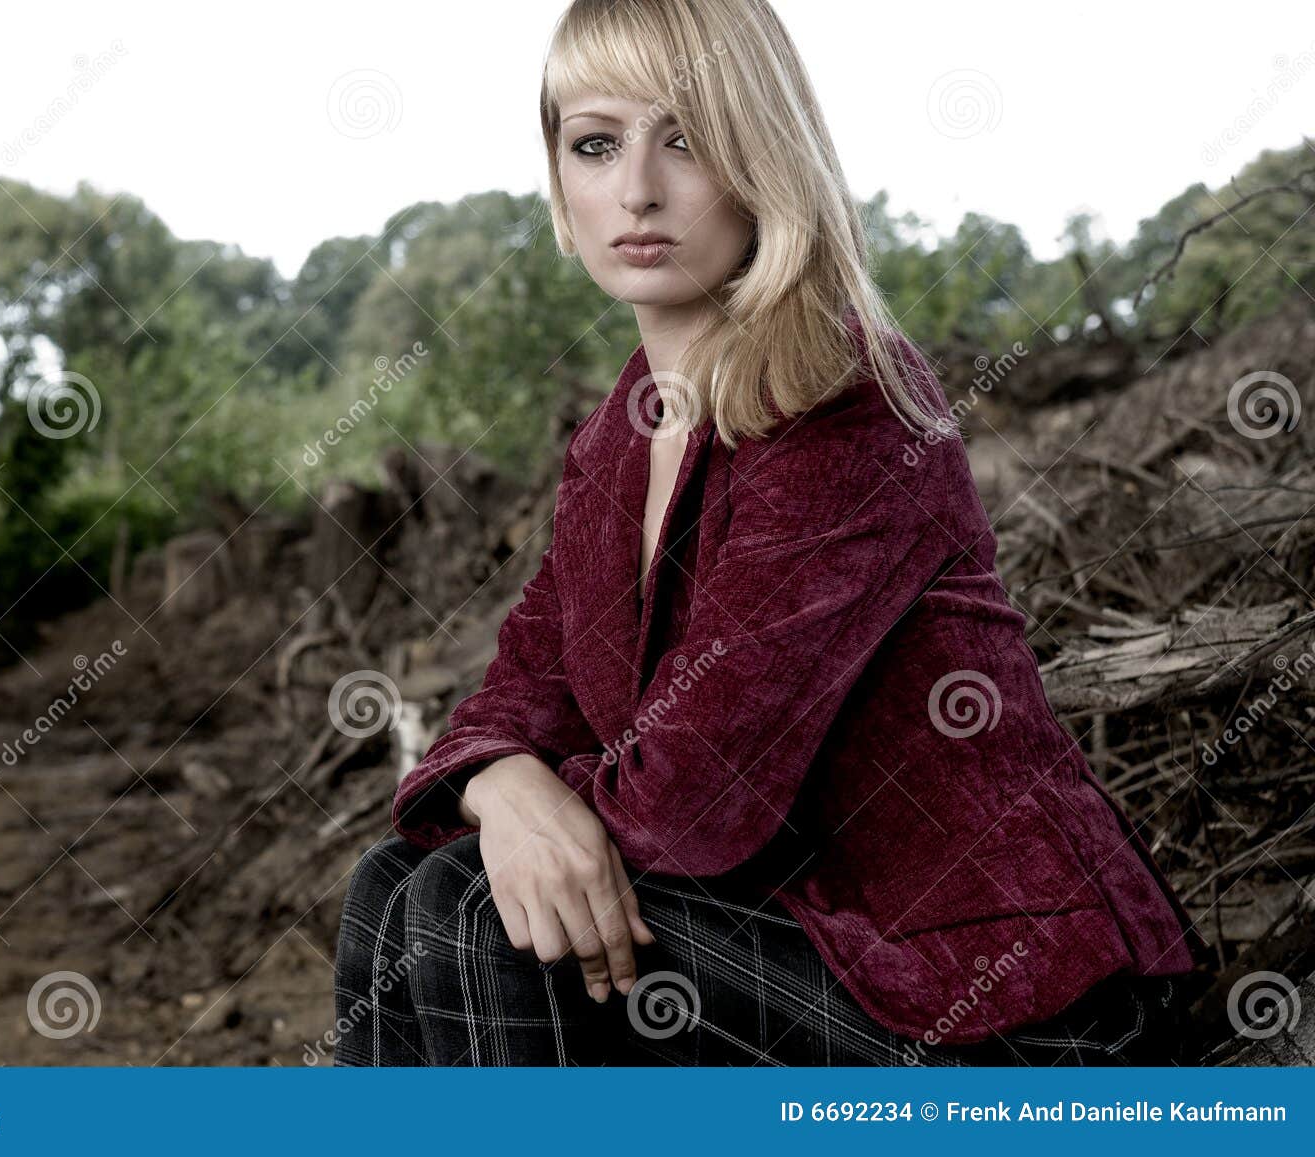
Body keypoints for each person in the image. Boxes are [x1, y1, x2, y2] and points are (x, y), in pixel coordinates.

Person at [333, 0, 1206, 1066]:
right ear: (559, 177)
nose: (637, 189)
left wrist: (524, 809)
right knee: (393, 887)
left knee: (476, 909)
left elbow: (694, 803)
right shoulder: (620, 433)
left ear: (762, 157)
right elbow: (518, 691)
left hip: (1003, 1008)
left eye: (686, 139)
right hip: (796, 942)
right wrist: (501, 783)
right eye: (595, 144)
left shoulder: (842, 400)